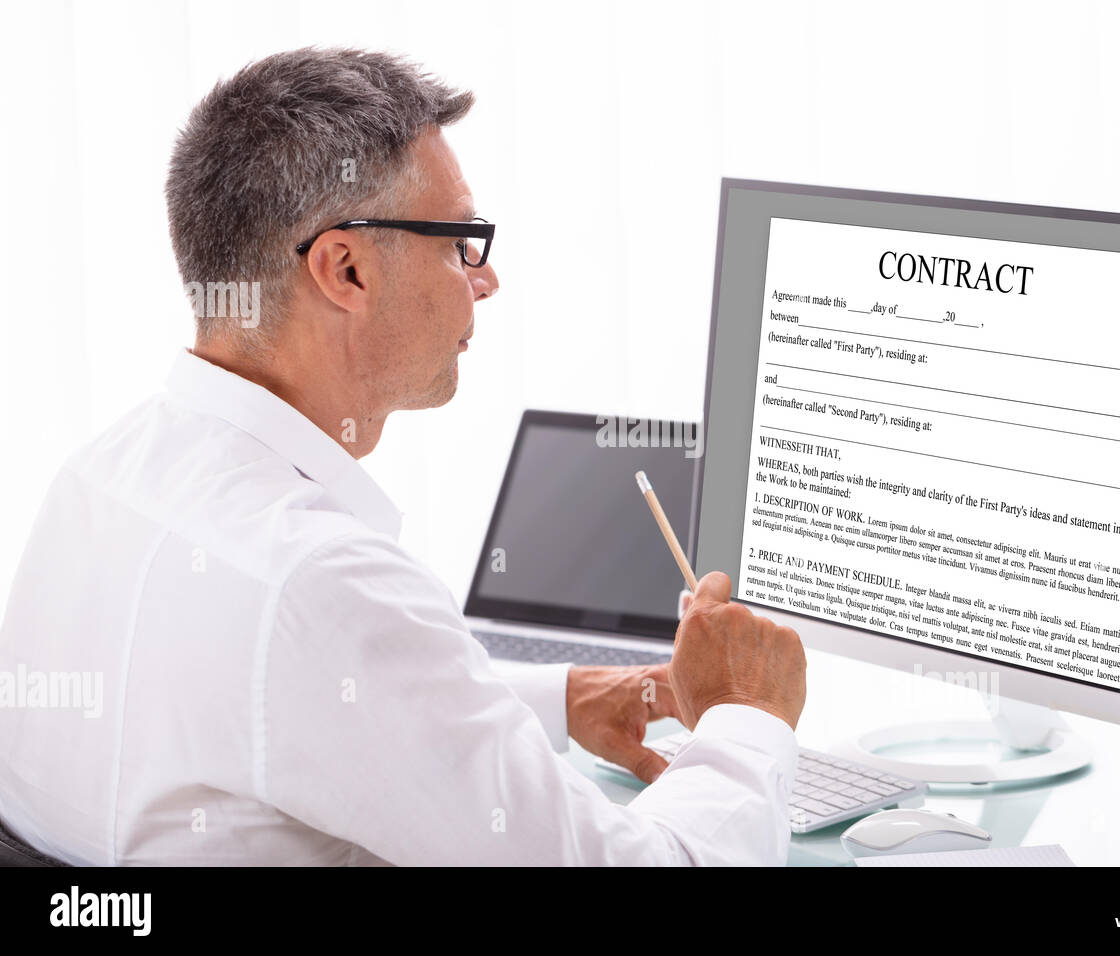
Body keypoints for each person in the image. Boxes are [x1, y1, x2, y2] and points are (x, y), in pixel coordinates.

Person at [0, 47, 805, 865]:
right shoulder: (322, 585)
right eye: (461, 241)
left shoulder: (99, 479)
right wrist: (747, 713)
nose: (484, 281)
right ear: (344, 268)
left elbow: (298, 709)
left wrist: (554, 702)